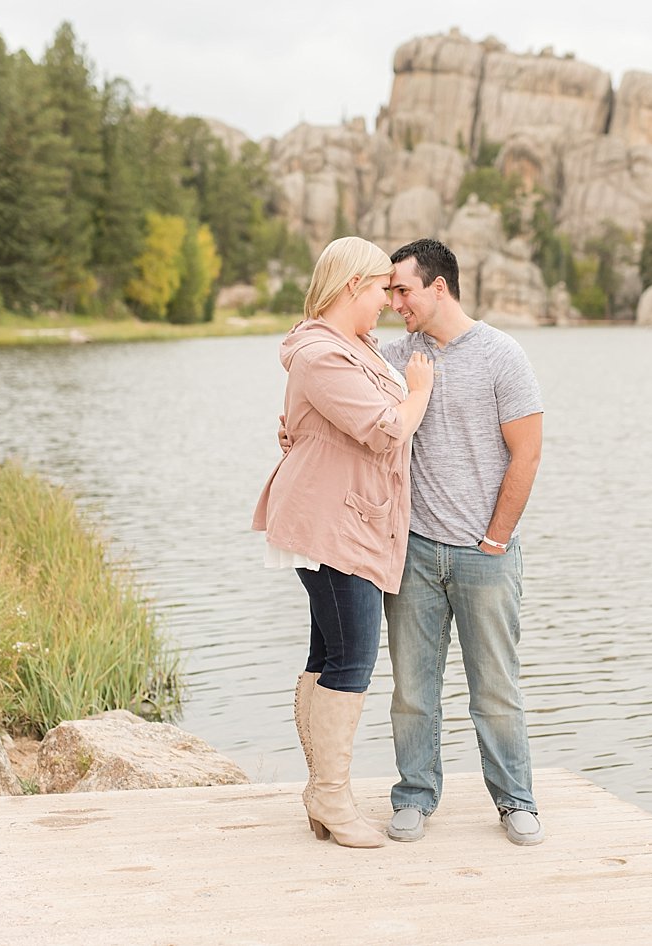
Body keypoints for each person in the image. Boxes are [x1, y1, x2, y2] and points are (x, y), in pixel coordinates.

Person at [252, 236, 433, 849]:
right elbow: (386, 430)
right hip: (330, 524)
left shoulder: (355, 347)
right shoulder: (320, 354)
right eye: (381, 287)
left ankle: (321, 792)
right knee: (353, 657)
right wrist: (418, 395)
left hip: (347, 518)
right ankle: (331, 795)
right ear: (353, 286)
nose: (386, 299)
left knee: (329, 653)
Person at [379, 238, 546, 845]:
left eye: (402, 290)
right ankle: (415, 796)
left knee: (495, 688)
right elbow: (327, 353)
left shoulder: (503, 355)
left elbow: (527, 454)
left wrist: (496, 540)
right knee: (412, 690)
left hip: (486, 555)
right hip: (416, 552)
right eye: (388, 291)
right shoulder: (396, 355)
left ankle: (516, 802)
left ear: (439, 286)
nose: (393, 301)